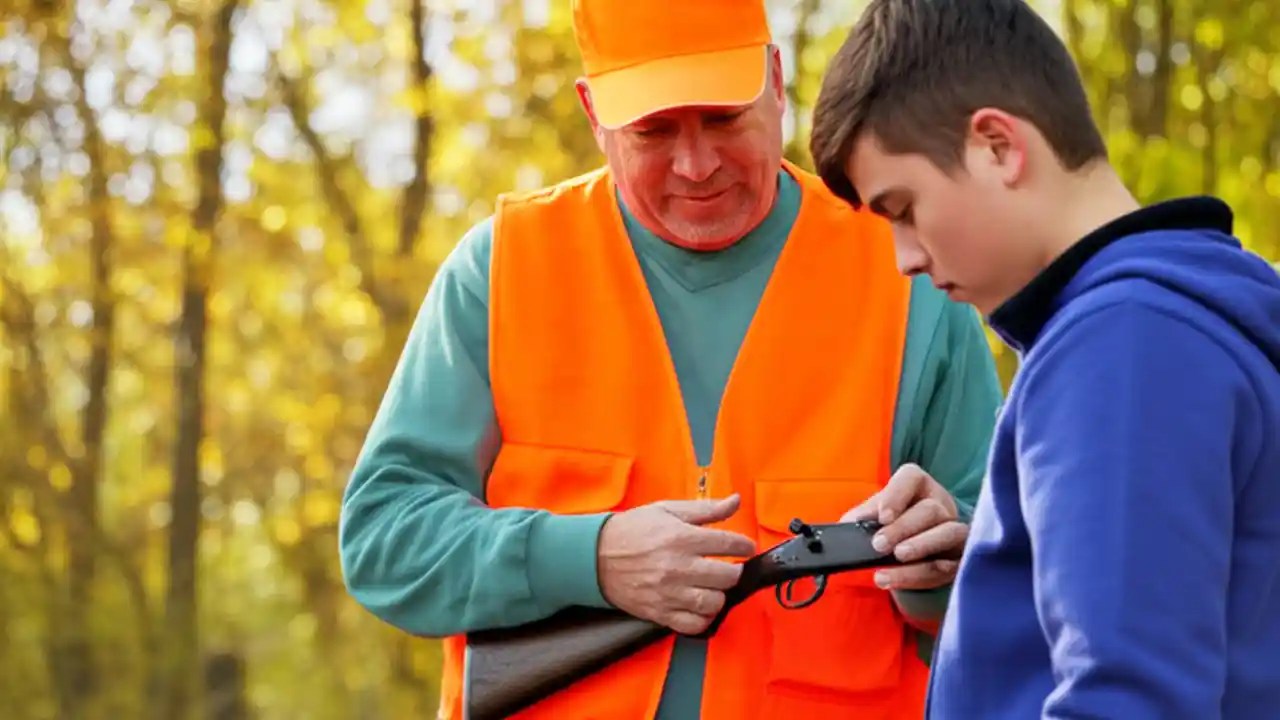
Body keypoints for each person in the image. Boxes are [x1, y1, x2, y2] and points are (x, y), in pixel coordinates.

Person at [338, 0, 1004, 717]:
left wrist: (937, 567)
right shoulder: (501, 271)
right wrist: (589, 558)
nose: (696, 164)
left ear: (775, 84)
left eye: (722, 118)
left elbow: (1014, 591)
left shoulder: (910, 277)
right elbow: (384, 538)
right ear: (594, 115)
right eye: (654, 131)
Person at [809, 0, 1280, 718]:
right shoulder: (1188, 315)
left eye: (903, 209)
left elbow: (1127, 696)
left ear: (998, 145)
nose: (903, 259)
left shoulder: (1119, 345)